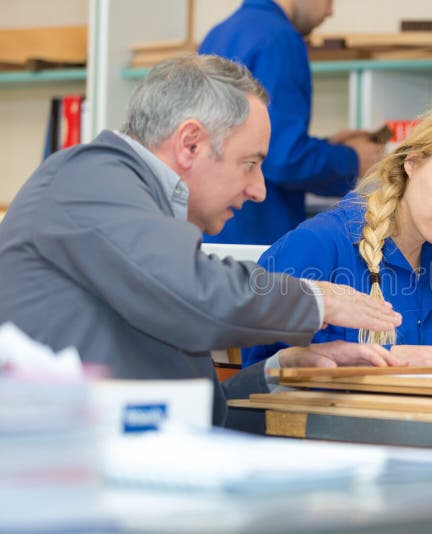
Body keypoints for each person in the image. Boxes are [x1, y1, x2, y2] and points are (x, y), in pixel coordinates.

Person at [0, 55, 403, 428]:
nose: (259, 190)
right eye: (250, 163)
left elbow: (198, 413)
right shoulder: (91, 180)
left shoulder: (145, 223)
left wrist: (280, 373)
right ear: (190, 143)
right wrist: (316, 300)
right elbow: (196, 291)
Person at [243, 102, 432, 369]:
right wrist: (390, 358)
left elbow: (429, 363)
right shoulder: (319, 244)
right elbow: (257, 376)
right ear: (412, 162)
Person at [199, 0, 384, 245]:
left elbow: (245, 141)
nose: (330, 11)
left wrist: (328, 145)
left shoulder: (219, 33)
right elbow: (283, 157)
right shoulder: (280, 39)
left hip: (216, 234)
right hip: (260, 236)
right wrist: (352, 159)